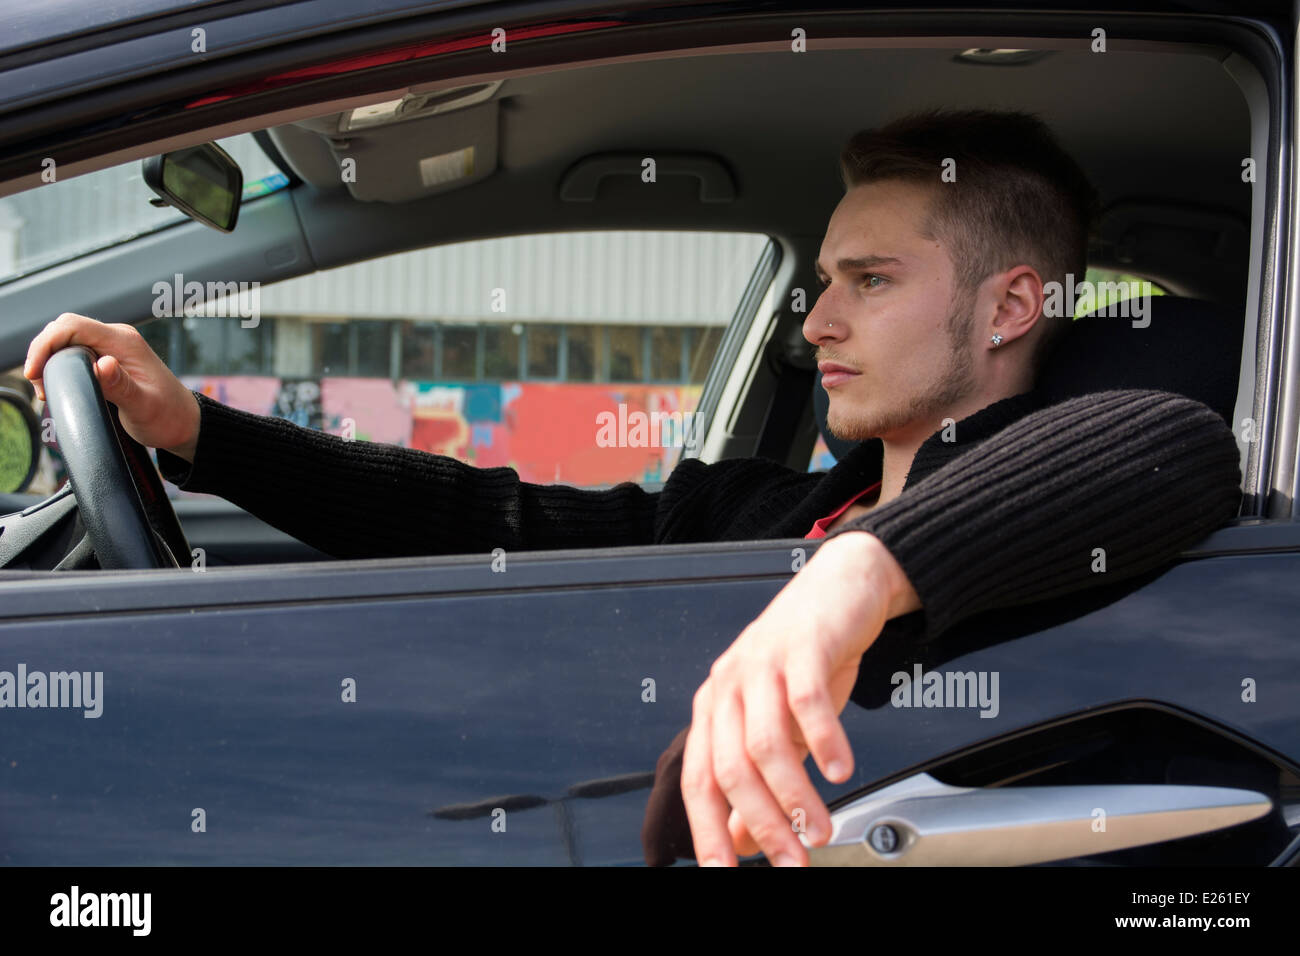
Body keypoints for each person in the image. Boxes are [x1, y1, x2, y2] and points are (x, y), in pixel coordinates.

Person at [22, 110, 1243, 867]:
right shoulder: (759, 509)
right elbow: (485, 518)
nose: (815, 320)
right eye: (820, 279)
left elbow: (1166, 443)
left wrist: (852, 585)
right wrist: (199, 434)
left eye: (868, 280)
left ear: (1012, 306)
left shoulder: (1070, 496)